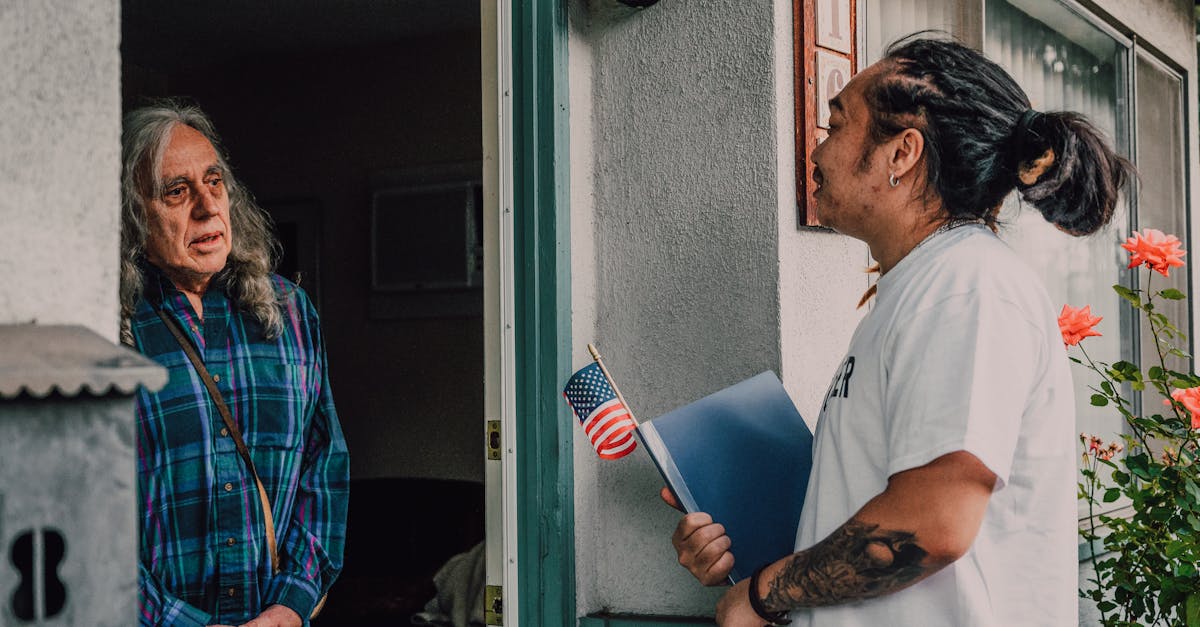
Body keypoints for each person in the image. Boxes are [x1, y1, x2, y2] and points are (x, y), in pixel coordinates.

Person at [666, 36, 1131, 626]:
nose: (818, 149)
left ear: (902, 153)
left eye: (836, 125)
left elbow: (930, 525)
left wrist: (765, 593)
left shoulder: (966, 287)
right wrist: (745, 538)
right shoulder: (924, 288)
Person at [120, 103, 349, 627]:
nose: (206, 207)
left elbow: (325, 467)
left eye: (214, 182)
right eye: (177, 191)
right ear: (131, 214)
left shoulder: (290, 313)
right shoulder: (107, 330)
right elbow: (77, 510)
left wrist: (291, 606)